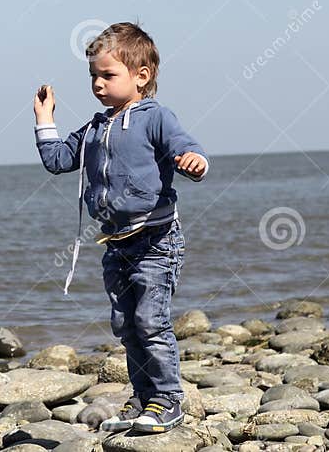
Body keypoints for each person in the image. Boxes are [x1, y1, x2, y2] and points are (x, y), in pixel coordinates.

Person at [32, 22, 208, 434]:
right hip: (116, 245)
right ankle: (143, 398)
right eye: (93, 75)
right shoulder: (95, 128)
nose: (97, 83)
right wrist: (44, 120)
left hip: (156, 241)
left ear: (141, 76)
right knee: (127, 326)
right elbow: (58, 160)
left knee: (151, 321)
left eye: (108, 75)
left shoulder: (155, 117)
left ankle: (168, 400)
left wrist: (195, 162)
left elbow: (188, 148)